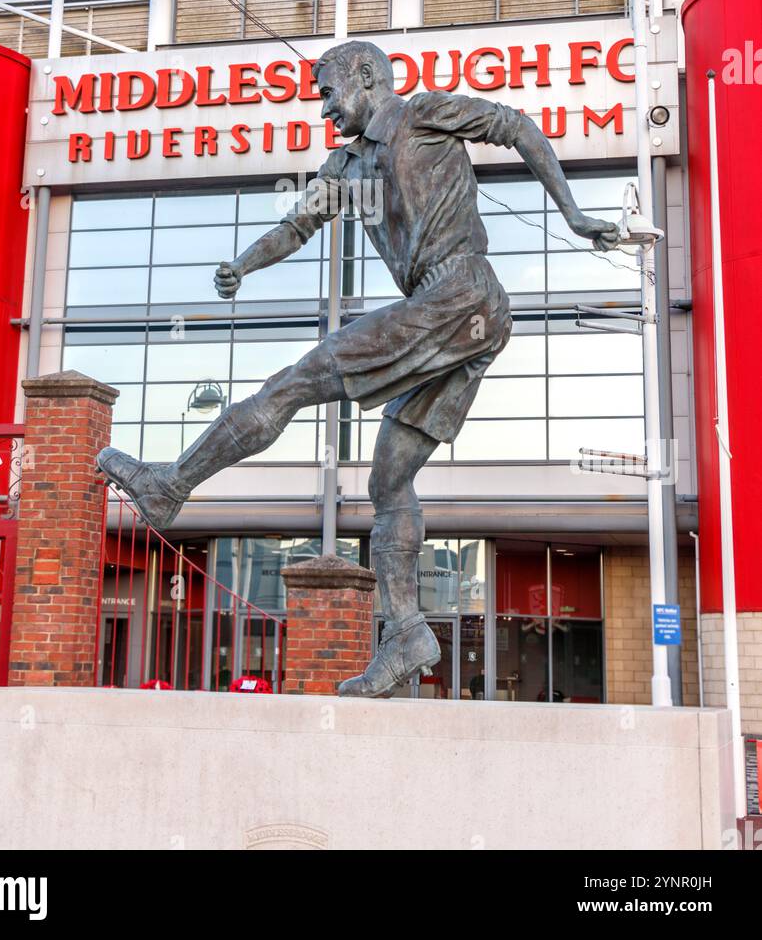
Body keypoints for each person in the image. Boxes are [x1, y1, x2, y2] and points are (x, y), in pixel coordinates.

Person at [98, 40, 619, 697]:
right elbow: (296, 227)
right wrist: (243, 265)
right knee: (389, 482)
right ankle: (407, 632)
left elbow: (515, 126)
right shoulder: (345, 166)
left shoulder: (424, 113)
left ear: (365, 78)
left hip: (458, 292)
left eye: (326, 92)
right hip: (459, 312)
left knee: (291, 384)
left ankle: (171, 484)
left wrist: (572, 214)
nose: (322, 109)